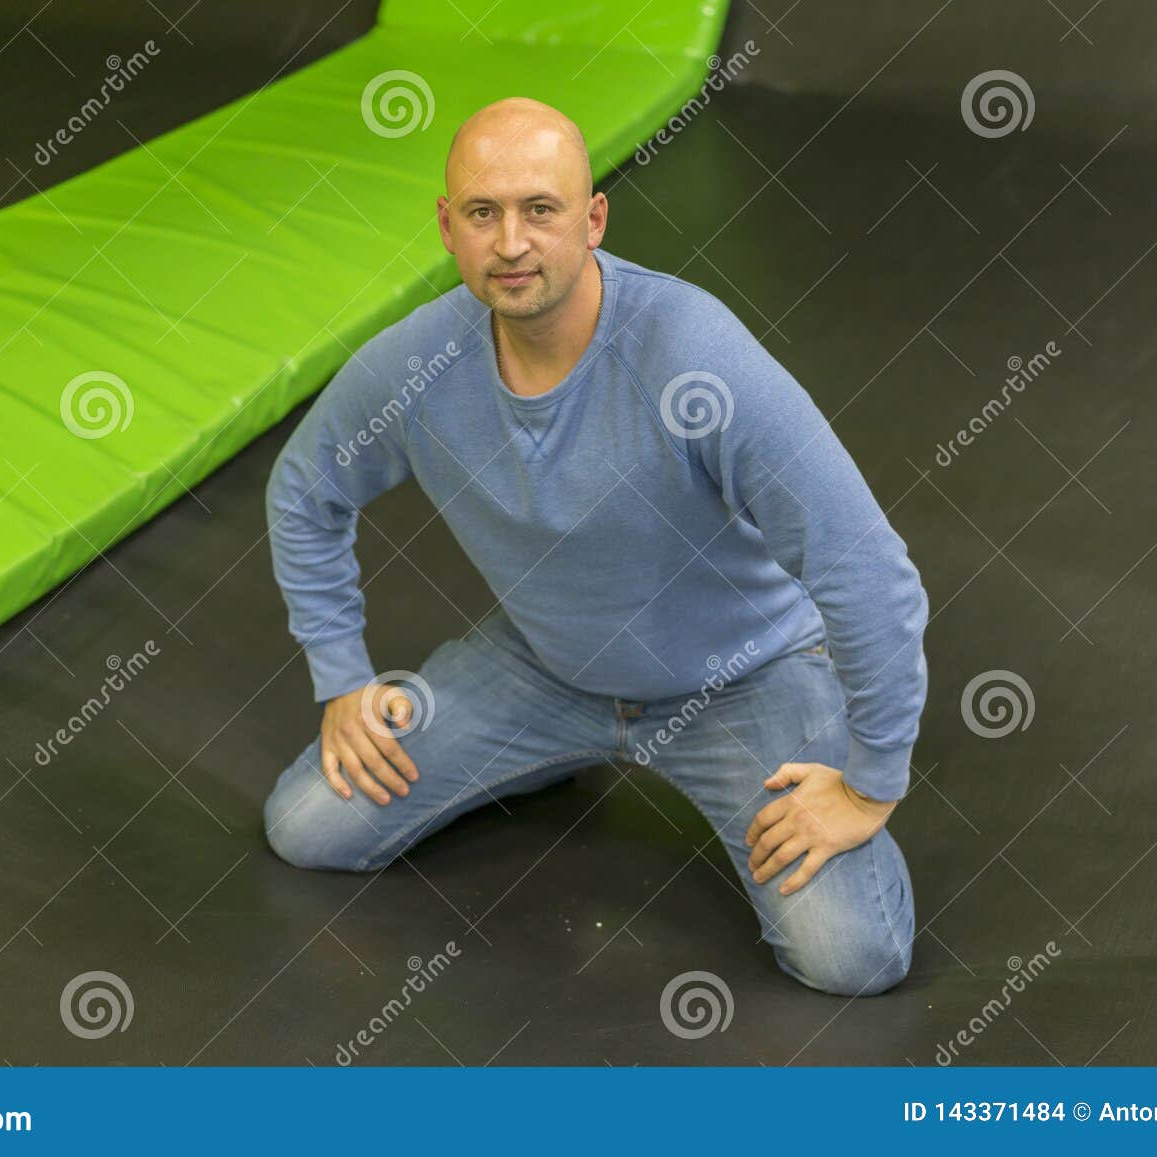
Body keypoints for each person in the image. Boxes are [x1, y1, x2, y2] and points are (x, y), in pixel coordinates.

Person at [262, 97, 927, 997]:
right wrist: (343, 675)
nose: (512, 243)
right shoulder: (414, 368)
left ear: (593, 219)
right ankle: (556, 752)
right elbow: (305, 489)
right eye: (484, 213)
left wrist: (871, 783)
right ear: (447, 227)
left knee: (853, 958)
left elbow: (864, 567)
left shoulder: (692, 353)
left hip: (742, 674)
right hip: (548, 667)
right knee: (307, 826)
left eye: (541, 209)